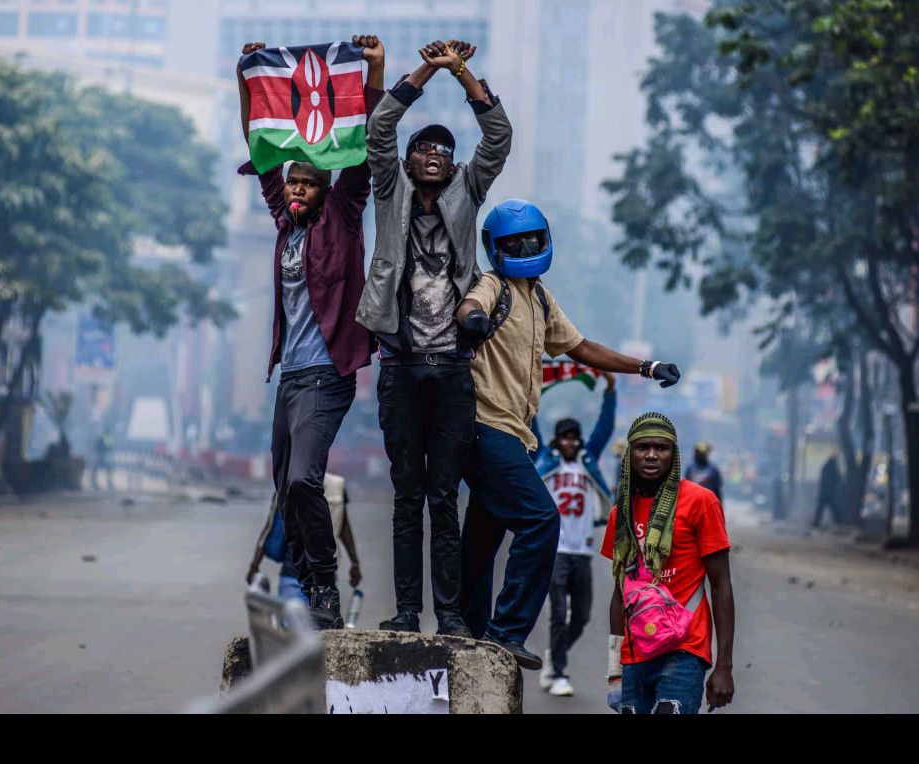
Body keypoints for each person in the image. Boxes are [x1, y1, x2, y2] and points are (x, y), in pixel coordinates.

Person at [455, 198, 682, 669]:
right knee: (541, 520)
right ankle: (506, 631)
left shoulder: (538, 297)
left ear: (544, 240)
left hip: (513, 434)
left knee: (481, 540)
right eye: (513, 242)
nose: (523, 247)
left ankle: (469, 633)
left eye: (531, 240)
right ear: (494, 248)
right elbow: (470, 303)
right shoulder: (494, 284)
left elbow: (580, 347)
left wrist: (645, 366)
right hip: (485, 427)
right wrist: (472, 319)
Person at [357, 39, 511, 637]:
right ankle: (406, 611)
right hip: (398, 361)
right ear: (410, 158)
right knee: (405, 494)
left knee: (443, 496)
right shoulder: (388, 189)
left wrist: (464, 72)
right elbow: (379, 129)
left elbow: (497, 137)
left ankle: (448, 615)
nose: (429, 155)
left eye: (441, 151)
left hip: (451, 365)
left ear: (451, 164)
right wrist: (426, 69)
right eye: (421, 148)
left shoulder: (467, 191)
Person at [236, 36, 385, 629]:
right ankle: (303, 588)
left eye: (306, 183)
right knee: (285, 489)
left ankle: (321, 587)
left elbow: (368, 152)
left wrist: (374, 71)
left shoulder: (343, 215)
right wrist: (245, 76)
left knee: (304, 478)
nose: (295, 188)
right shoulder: (284, 225)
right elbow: (260, 141)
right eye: (290, 183)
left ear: (325, 188)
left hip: (328, 376)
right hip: (291, 379)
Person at [600, 413, 735, 714]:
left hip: (684, 648)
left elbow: (721, 584)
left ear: (673, 455)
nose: (651, 455)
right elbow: (620, 592)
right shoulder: (620, 513)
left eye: (661, 448)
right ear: (629, 454)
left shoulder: (701, 502)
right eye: (642, 447)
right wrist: (614, 669)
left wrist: (724, 665)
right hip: (635, 653)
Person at [535, 374, 616, 696]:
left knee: (581, 616)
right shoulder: (543, 459)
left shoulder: (587, 461)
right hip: (554, 551)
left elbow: (604, 429)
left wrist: (609, 393)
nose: (570, 442)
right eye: (564, 438)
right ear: (556, 441)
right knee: (558, 613)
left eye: (574, 437)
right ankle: (559, 674)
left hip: (582, 550)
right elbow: (531, 427)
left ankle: (555, 656)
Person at [247, 473, 363, 601]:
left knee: (296, 619)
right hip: (307, 578)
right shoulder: (334, 486)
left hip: (302, 579)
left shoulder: (287, 483)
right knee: (320, 620)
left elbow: (270, 528)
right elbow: (344, 527)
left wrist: (254, 566)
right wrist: (354, 563)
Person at [812, 453, 841, 529]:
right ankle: (838, 522)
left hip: (824, 491)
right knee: (834, 508)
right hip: (830, 492)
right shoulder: (834, 468)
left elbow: (822, 480)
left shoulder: (825, 467)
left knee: (821, 508)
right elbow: (838, 479)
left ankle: (816, 523)